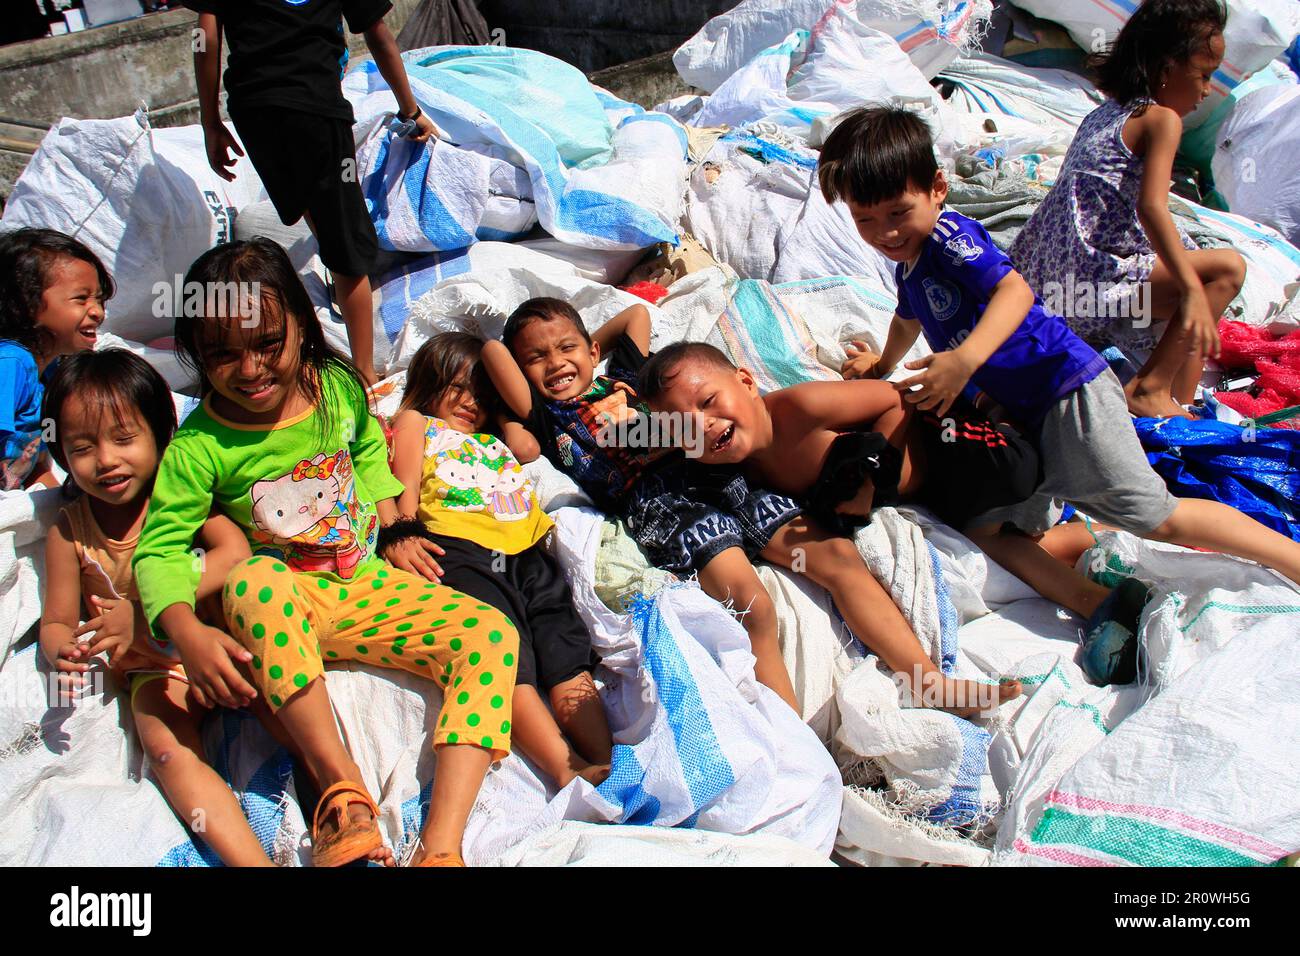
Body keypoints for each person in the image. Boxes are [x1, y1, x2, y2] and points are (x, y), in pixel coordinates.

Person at [818, 104, 1300, 681]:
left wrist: (964, 360)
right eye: (866, 220)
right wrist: (881, 363)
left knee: (1158, 517)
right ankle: (1099, 604)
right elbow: (907, 317)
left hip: (1068, 393)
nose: (886, 234)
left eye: (899, 212)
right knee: (991, 532)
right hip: (1020, 417)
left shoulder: (949, 239)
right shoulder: (910, 266)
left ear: (938, 189)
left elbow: (1016, 293)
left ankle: (1290, 561)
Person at [132, 239, 518, 867]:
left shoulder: (336, 387)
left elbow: (368, 448)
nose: (250, 369)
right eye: (222, 354)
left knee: (492, 636)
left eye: (266, 344)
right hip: (285, 601)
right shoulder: (198, 445)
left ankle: (442, 847)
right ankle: (345, 800)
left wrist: (394, 523)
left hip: (361, 581)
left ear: (302, 328)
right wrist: (184, 630)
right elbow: (160, 550)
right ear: (197, 354)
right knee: (255, 577)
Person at [483, 298, 1018, 714]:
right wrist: (547, 369)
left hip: (722, 475)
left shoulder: (631, 384)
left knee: (836, 559)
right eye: (538, 357)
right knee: (754, 602)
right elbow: (494, 357)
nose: (556, 362)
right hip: (664, 506)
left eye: (566, 348)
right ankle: (788, 730)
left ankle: (927, 680)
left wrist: (588, 352)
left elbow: (635, 315)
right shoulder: (545, 420)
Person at [38, 349, 268, 865]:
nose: (106, 460)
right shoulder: (68, 530)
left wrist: (142, 610)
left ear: (161, 435)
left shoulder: (178, 498)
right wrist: (61, 649)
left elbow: (235, 555)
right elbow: (55, 618)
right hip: (153, 672)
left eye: (124, 438)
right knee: (165, 753)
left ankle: (339, 803)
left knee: (283, 701)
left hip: (219, 644)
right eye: (82, 446)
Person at [390, 331, 612, 788]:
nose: (472, 401)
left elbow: (528, 450)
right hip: (458, 546)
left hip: (526, 547)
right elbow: (403, 480)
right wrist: (404, 531)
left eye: (482, 393)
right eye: (459, 387)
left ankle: (608, 757)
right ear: (429, 381)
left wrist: (506, 416)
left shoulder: (494, 437)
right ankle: (567, 767)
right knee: (508, 654)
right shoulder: (417, 422)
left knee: (563, 647)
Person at [185, 0, 438, 386]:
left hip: (255, 111)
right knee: (347, 246)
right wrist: (410, 108)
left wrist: (210, 120)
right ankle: (365, 374)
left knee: (317, 219)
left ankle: (329, 316)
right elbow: (378, 34)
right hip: (315, 107)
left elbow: (206, 33)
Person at [1010, 0, 1241, 420]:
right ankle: (1152, 390)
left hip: (1049, 286)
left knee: (1195, 301)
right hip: (1091, 281)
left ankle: (1179, 405)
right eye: (1204, 75)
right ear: (1168, 65)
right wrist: (1189, 285)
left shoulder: (1103, 114)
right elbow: (1151, 206)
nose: (1207, 91)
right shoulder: (1160, 119)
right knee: (1225, 270)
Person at [0, 228, 109, 490]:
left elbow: (35, 456)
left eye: (100, 300)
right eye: (81, 299)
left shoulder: (51, 372)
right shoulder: (10, 363)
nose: (98, 312)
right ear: (27, 305)